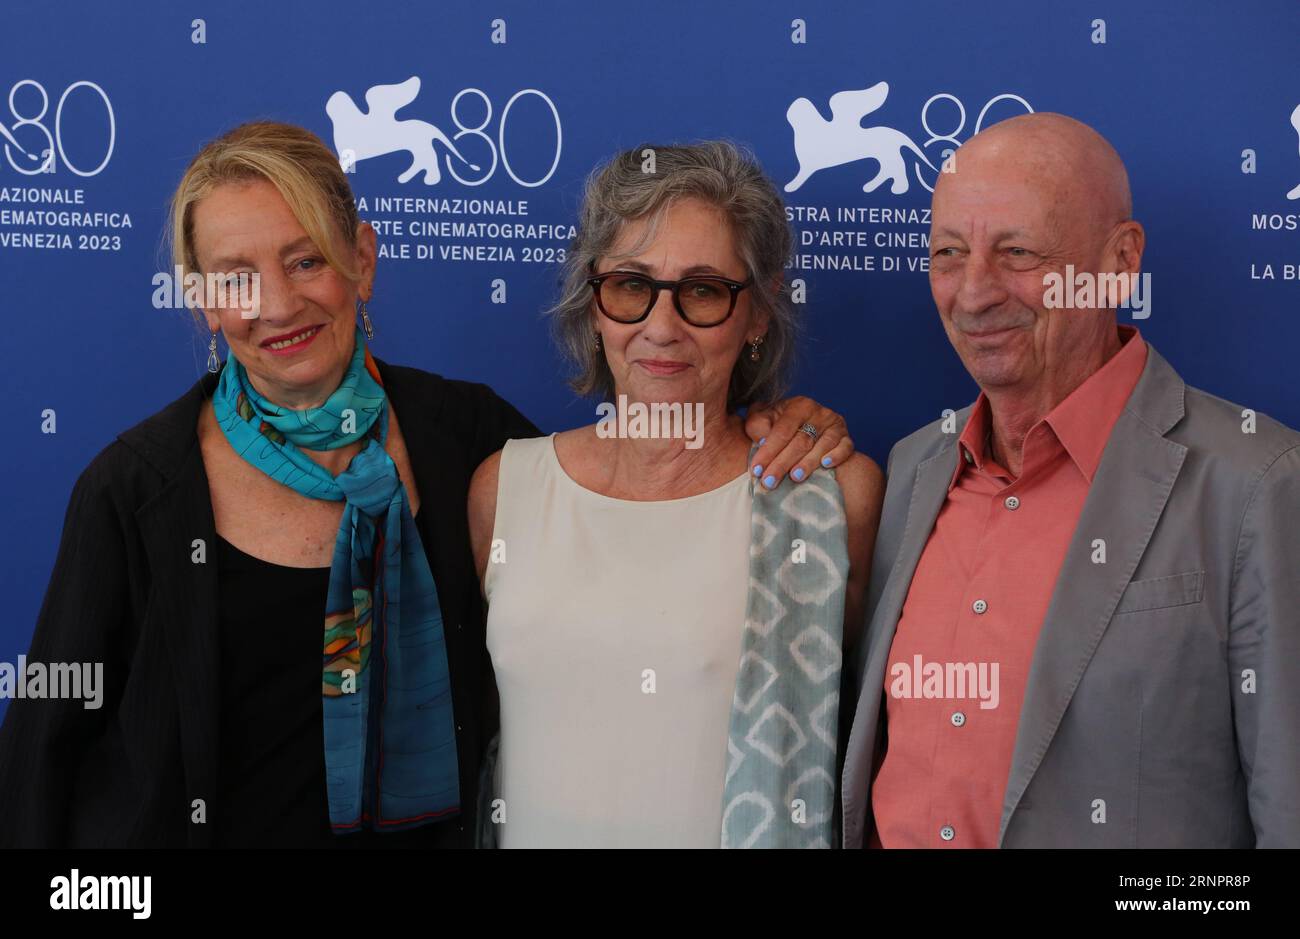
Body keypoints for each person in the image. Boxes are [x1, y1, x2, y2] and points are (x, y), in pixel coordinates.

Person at [0, 122, 856, 848]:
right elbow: (41, 764)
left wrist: (780, 419)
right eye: (235, 276)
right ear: (199, 299)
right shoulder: (137, 491)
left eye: (306, 260)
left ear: (362, 263)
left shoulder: (471, 446)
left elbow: (633, 499)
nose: (277, 304)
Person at [840, 113, 1300, 849]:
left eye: (1017, 251)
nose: (975, 292)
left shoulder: (1258, 482)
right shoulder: (909, 468)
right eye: (949, 253)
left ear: (1120, 261)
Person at [469, 141, 883, 848]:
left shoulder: (829, 496)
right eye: (632, 285)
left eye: (702, 290)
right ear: (593, 303)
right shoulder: (504, 486)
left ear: (757, 312)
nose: (661, 328)